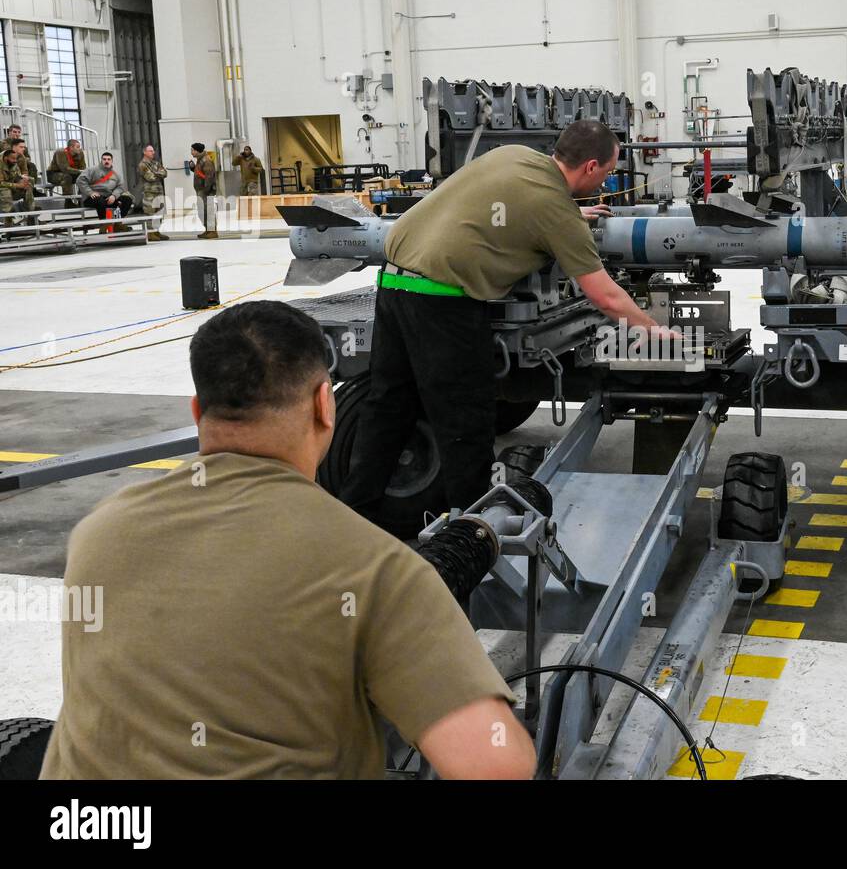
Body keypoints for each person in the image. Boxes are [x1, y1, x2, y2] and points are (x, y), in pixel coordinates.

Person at [40, 300, 534, 779]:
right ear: (325, 404)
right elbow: (494, 765)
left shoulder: (100, 529)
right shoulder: (372, 565)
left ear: (197, 411)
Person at [339, 120, 673, 536]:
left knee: (388, 405)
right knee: (465, 420)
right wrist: (651, 329)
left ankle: (352, 520)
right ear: (590, 166)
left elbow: (507, 202)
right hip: (443, 302)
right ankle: (471, 535)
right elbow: (604, 295)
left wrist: (570, 215)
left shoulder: (514, 155)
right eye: (607, 172)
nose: (607, 179)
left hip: (394, 283)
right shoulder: (553, 209)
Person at [75, 151, 134, 221]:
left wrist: (114, 196)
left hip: (108, 198)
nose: (106, 161)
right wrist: (90, 192)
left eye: (109, 159)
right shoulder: (92, 170)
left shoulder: (116, 174)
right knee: (100, 200)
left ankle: (118, 222)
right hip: (92, 198)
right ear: (101, 160)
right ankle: (104, 223)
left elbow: (120, 186)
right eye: (104, 159)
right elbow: (80, 180)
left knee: (127, 199)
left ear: (112, 161)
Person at [138, 143, 170, 241]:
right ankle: (150, 233)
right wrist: (159, 173)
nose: (153, 152)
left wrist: (156, 172)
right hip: (149, 193)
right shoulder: (142, 164)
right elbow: (150, 177)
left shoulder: (156, 163)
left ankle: (156, 232)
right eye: (150, 151)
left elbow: (165, 173)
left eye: (153, 150)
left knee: (159, 213)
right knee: (150, 213)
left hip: (159, 192)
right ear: (144, 152)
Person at [0, 146, 32, 234]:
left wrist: (23, 182)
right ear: (6, 158)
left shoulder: (13, 164)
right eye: (13, 159)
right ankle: (8, 220)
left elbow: (17, 176)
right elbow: (1, 183)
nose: (15, 161)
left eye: (16, 159)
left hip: (10, 187)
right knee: (5, 190)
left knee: (28, 186)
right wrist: (18, 185)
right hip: (2, 189)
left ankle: (31, 213)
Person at [190, 142, 218, 238]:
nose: (191, 152)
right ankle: (207, 229)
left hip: (206, 190)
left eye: (193, 150)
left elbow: (209, 177)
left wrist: (206, 190)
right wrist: (193, 169)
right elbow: (201, 173)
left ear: (197, 151)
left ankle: (212, 231)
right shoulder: (200, 160)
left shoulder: (206, 160)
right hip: (201, 190)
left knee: (208, 210)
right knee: (202, 211)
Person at [6, 140, 35, 218]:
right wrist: (19, 177)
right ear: (14, 147)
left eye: (24, 147)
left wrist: (22, 178)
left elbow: (25, 172)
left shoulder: (22, 157)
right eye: (21, 147)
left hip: (15, 185)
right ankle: (28, 211)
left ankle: (30, 214)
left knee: (29, 182)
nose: (24, 149)